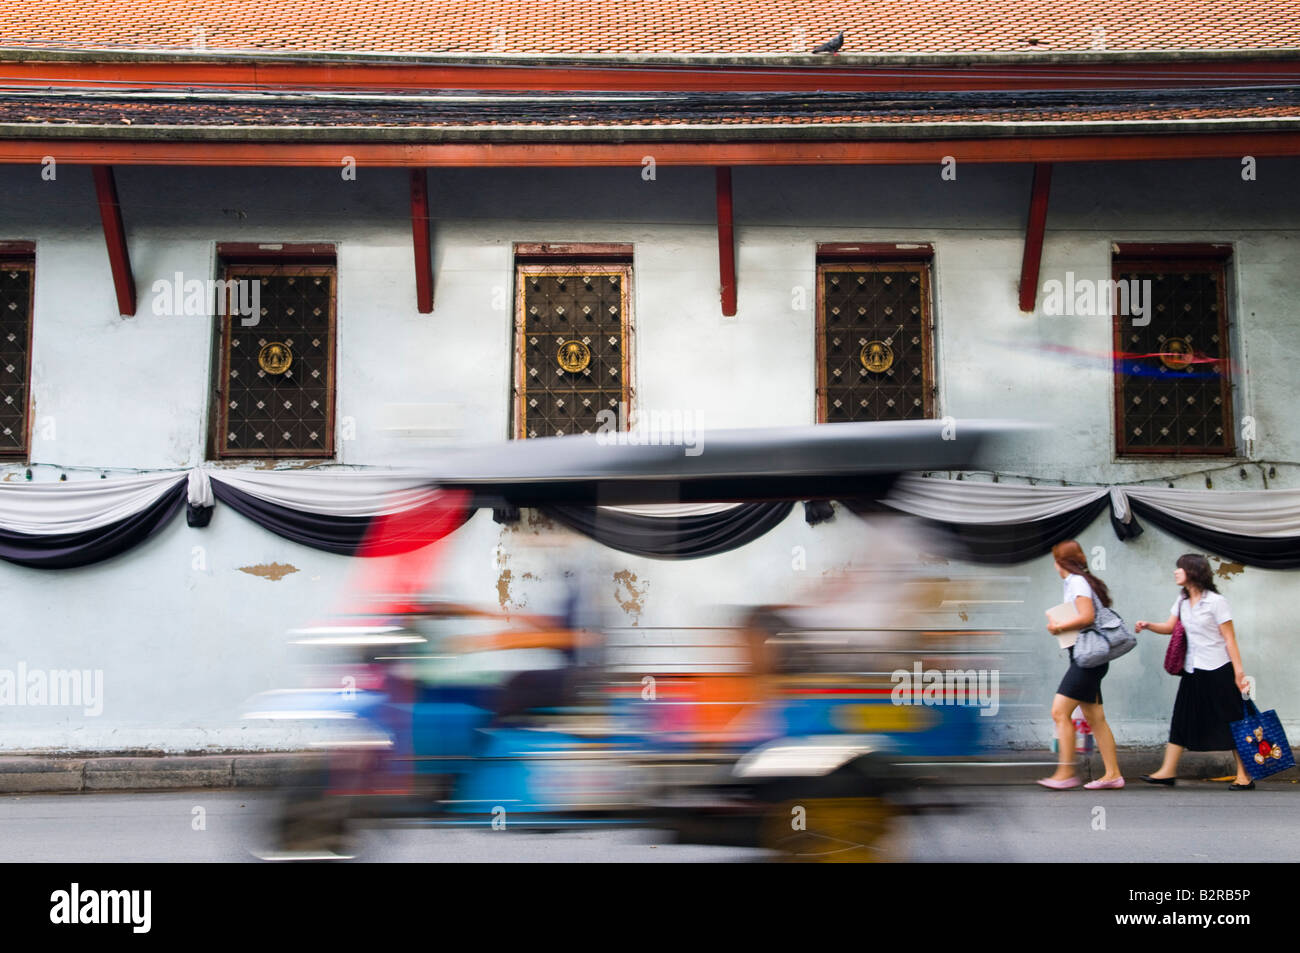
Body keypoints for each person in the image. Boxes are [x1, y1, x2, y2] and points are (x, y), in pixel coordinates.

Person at [1134, 554, 1254, 789]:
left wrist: (1239, 673)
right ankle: (1167, 771)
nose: (1175, 572)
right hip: (1192, 669)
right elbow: (1169, 627)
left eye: (1180, 568)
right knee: (1181, 717)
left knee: (1233, 720)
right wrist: (1148, 625)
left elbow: (1230, 639)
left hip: (1218, 668)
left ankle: (1245, 775)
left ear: (1193, 571)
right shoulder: (1182, 600)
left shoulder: (1216, 602)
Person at [1039, 540, 1125, 790]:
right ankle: (1113, 775)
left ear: (1060, 563)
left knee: (1059, 712)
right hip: (1089, 659)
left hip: (1087, 661)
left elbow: (1087, 617)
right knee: (1095, 717)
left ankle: (1066, 773)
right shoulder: (1080, 580)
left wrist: (1058, 627)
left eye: (1055, 561)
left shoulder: (1077, 582)